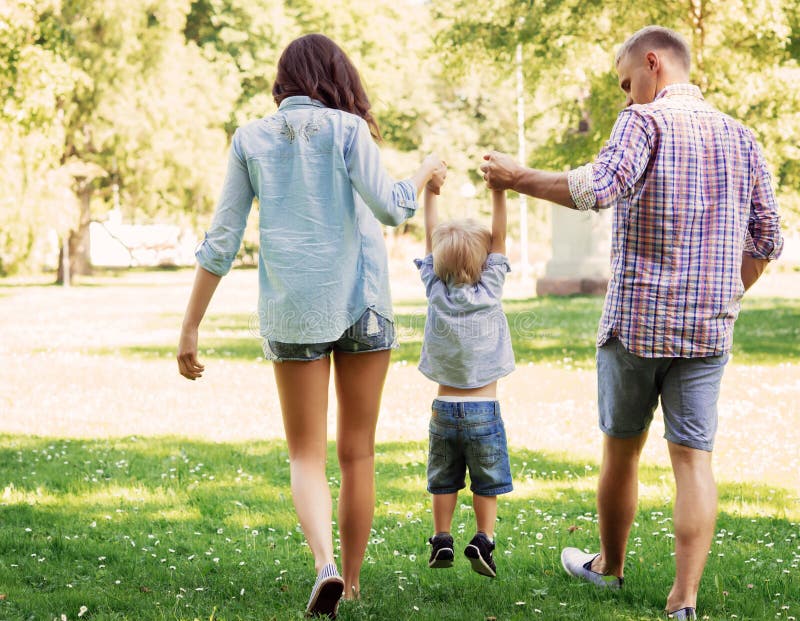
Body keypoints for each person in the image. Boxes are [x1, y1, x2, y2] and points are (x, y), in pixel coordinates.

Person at [480, 25, 783, 621]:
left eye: (626, 82)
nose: (625, 96)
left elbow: (599, 187)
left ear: (653, 64)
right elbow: (768, 238)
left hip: (637, 327)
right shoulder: (743, 138)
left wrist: (518, 179)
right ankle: (683, 600)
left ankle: (609, 569)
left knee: (622, 453)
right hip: (707, 333)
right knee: (693, 460)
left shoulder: (644, 122)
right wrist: (725, 293)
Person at [177, 33, 446, 618]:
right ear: (336, 77)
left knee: (305, 455)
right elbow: (392, 208)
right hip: (363, 303)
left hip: (292, 310)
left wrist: (190, 326)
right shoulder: (349, 131)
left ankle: (323, 563)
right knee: (358, 454)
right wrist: (425, 171)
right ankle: (349, 584)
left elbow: (221, 240)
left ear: (283, 82)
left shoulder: (249, 139)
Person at [414, 179, 514, 579]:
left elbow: (428, 236)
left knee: (443, 480)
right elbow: (502, 235)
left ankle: (441, 538)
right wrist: (499, 192)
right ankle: (483, 539)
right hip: (484, 411)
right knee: (485, 483)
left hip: (443, 411)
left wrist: (432, 193)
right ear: (485, 259)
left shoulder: (434, 289)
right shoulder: (491, 287)